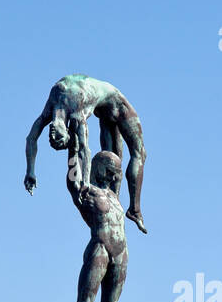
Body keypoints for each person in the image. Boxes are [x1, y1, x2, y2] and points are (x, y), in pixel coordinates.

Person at [24, 74, 147, 234]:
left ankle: (135, 210)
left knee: (139, 153)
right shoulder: (51, 109)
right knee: (113, 161)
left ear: (68, 131)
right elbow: (31, 139)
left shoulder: (76, 114)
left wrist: (86, 182)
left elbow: (84, 149)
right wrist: (30, 171)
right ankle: (114, 205)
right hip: (100, 106)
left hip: (116, 101)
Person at [49, 148, 128, 302]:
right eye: (113, 171)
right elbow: (73, 179)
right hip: (100, 248)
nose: (116, 176)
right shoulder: (87, 192)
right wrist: (75, 145)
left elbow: (117, 142)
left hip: (121, 253)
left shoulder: (114, 196)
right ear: (100, 168)